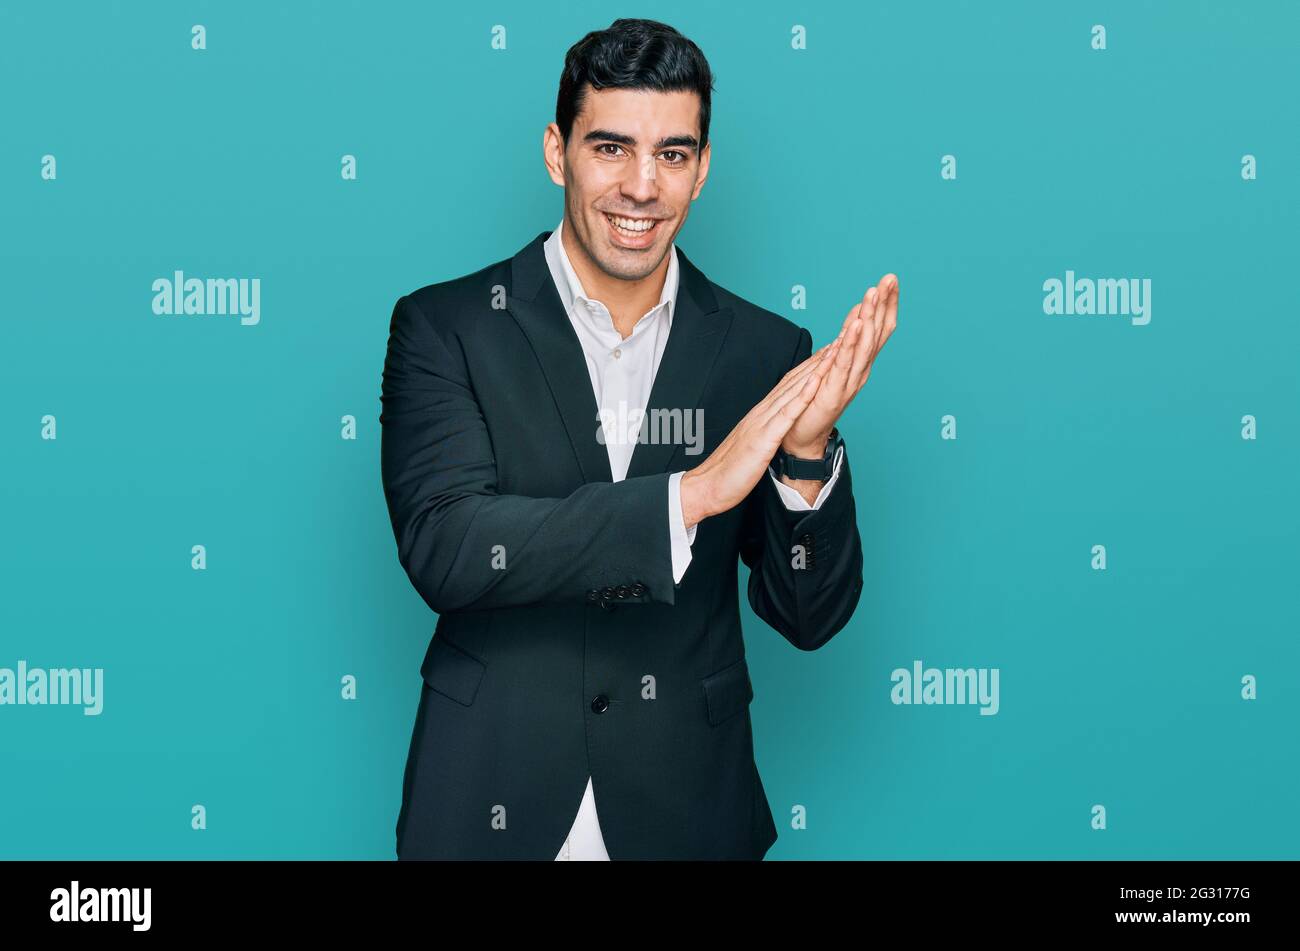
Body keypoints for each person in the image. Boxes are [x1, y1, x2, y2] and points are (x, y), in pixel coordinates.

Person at [380, 17, 898, 860]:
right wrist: (687, 496)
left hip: (689, 810)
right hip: (486, 802)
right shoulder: (447, 327)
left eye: (672, 154)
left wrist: (807, 451)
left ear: (701, 171)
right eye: (611, 148)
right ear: (558, 152)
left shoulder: (767, 354)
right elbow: (448, 546)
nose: (642, 187)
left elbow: (809, 616)